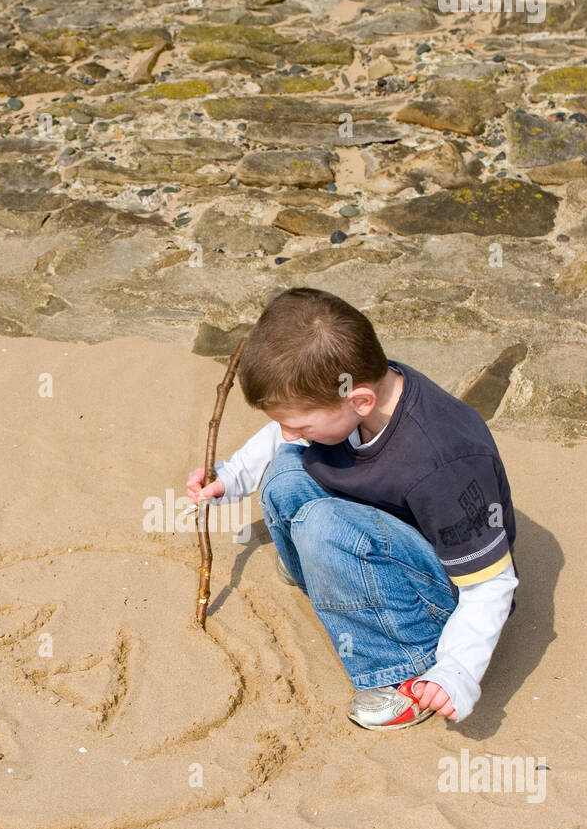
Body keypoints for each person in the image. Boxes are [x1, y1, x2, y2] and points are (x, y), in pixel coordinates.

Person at [186, 287, 519, 730]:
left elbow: (491, 586)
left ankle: (407, 666)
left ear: (359, 400)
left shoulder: (443, 462)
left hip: (441, 594)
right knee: (285, 472)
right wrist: (228, 479)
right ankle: (321, 569)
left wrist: (456, 670)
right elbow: (282, 436)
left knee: (324, 525)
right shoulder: (351, 393)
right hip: (379, 527)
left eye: (298, 423)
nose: (286, 432)